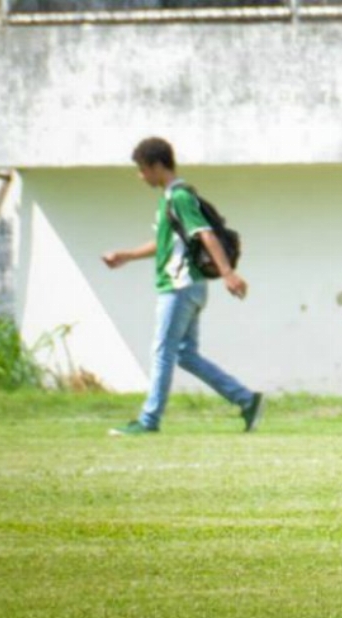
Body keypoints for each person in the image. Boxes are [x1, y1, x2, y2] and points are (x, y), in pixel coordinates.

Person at [103, 137, 262, 436]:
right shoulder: (169, 200)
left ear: (157, 165)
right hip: (189, 287)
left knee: (163, 351)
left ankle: (149, 420)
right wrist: (127, 256)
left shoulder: (179, 197)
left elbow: (205, 235)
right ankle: (246, 400)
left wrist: (228, 273)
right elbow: (164, 243)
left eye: (142, 169)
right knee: (184, 354)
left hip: (179, 286)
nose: (140, 176)